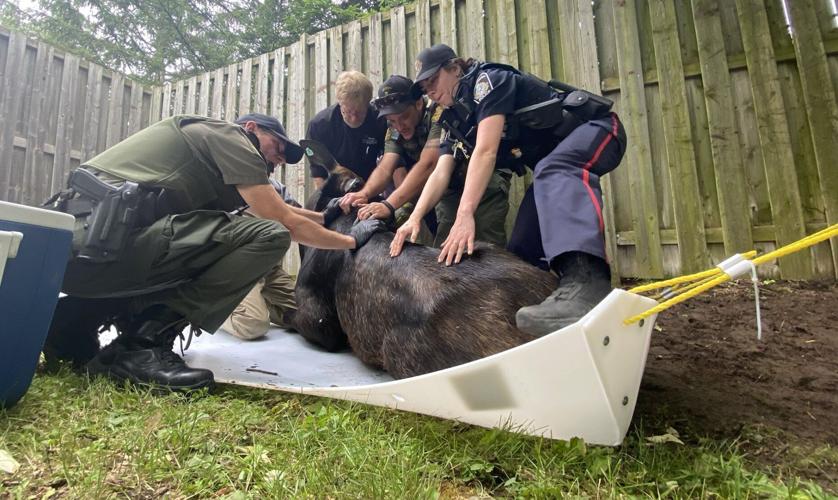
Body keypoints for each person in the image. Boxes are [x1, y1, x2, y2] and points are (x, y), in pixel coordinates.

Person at [44, 113, 384, 391]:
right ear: (251, 129)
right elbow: (283, 222)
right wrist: (351, 241)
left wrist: (327, 214)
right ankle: (140, 346)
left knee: (205, 242)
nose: (279, 159)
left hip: (75, 254)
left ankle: (72, 323)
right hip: (98, 242)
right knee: (268, 237)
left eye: (284, 157)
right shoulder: (229, 137)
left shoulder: (208, 156)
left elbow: (283, 209)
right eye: (277, 146)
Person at [390, 44, 626, 335]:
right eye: (425, 88)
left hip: (596, 130)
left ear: (454, 68)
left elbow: (486, 151)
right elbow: (440, 171)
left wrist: (465, 214)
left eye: (434, 81)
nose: (431, 92)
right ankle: (553, 317)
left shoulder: (487, 81)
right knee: (521, 252)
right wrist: (414, 217)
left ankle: (587, 284)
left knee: (552, 169)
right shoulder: (453, 119)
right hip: (551, 171)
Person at [337, 74, 440, 241]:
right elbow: (386, 167)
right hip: (427, 189)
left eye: (404, 117)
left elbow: (429, 163)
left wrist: (388, 205)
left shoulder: (438, 113)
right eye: (392, 121)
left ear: (419, 103)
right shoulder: (394, 127)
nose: (399, 126)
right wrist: (364, 193)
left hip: (465, 185)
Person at [219, 178, 300, 341]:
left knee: (305, 316)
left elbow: (299, 218)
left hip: (268, 268)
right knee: (252, 324)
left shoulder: (277, 188)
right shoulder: (224, 185)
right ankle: (210, 311)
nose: (282, 158)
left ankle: (255, 303)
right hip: (238, 269)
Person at [306, 71, 388, 189]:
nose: (354, 118)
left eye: (360, 112)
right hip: (334, 185)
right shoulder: (319, 126)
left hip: (372, 184)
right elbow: (318, 172)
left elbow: (391, 161)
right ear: (340, 102)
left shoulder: (380, 120)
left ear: (368, 104)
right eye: (348, 111)